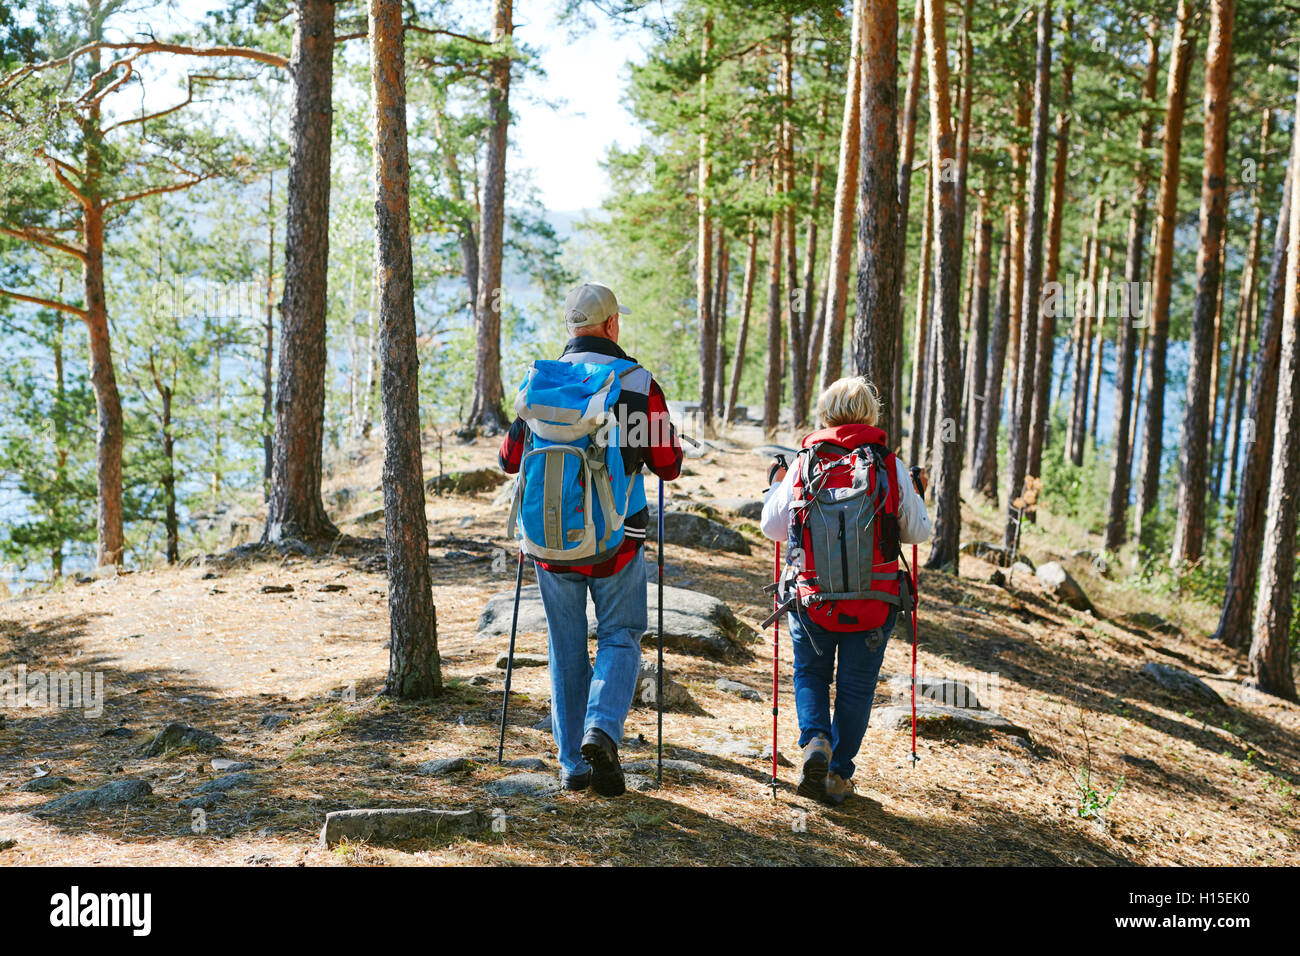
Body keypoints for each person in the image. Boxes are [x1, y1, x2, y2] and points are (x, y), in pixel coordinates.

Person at [500, 282, 682, 797]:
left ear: (571, 327)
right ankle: (601, 730)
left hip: (550, 542)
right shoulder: (637, 382)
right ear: (612, 325)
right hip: (617, 540)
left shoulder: (540, 381)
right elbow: (668, 465)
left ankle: (571, 766)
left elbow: (509, 460)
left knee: (565, 645)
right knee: (621, 634)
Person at [760, 376, 931, 806]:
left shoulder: (805, 462)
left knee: (811, 675)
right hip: (874, 604)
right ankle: (838, 775)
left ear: (825, 412)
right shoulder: (888, 465)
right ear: (871, 414)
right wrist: (916, 493)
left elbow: (772, 528)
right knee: (856, 689)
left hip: (813, 602)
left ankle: (815, 740)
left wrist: (779, 485)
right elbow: (918, 532)